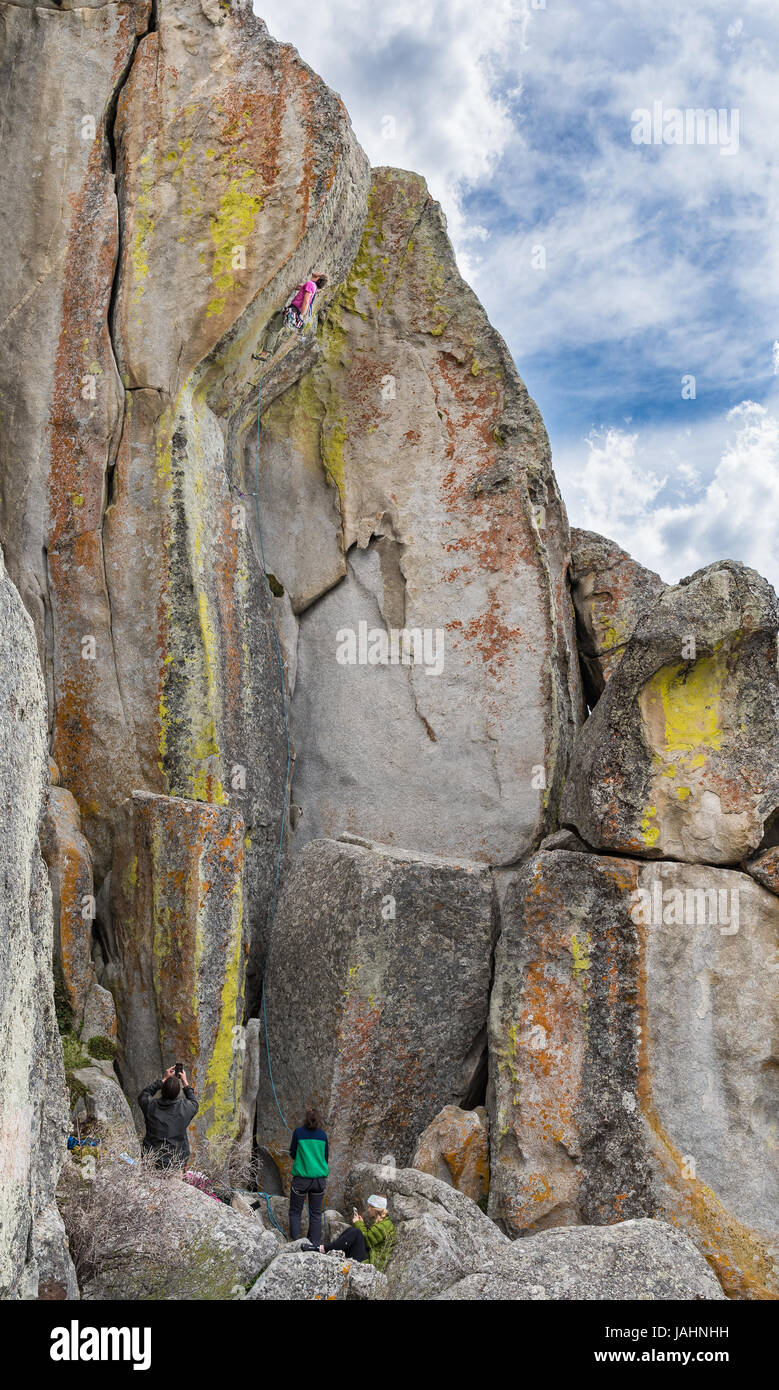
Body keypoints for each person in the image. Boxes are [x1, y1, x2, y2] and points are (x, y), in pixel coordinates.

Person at [309, 1195, 395, 1271]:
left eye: (370, 1207)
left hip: (370, 1265)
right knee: (352, 1231)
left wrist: (359, 1223)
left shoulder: (384, 1226)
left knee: (356, 1232)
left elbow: (366, 1241)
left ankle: (324, 1249)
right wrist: (360, 1224)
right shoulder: (384, 1223)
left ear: (376, 1210)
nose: (368, 1210)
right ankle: (326, 1248)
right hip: (368, 1258)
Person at [138, 1066, 198, 1169]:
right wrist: (185, 1082)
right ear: (178, 1093)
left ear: (162, 1090)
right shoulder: (186, 1108)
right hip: (176, 1162)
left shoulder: (150, 1106)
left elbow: (144, 1094)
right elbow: (194, 1102)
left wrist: (163, 1080)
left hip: (151, 1160)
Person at [289, 1107, 329, 1246]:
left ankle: (296, 1242)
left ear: (305, 1119)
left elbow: (293, 1153)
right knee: (316, 1213)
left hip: (301, 1180)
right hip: (319, 1180)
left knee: (295, 1212)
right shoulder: (323, 1136)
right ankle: (315, 1245)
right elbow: (325, 1158)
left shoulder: (298, 1133)